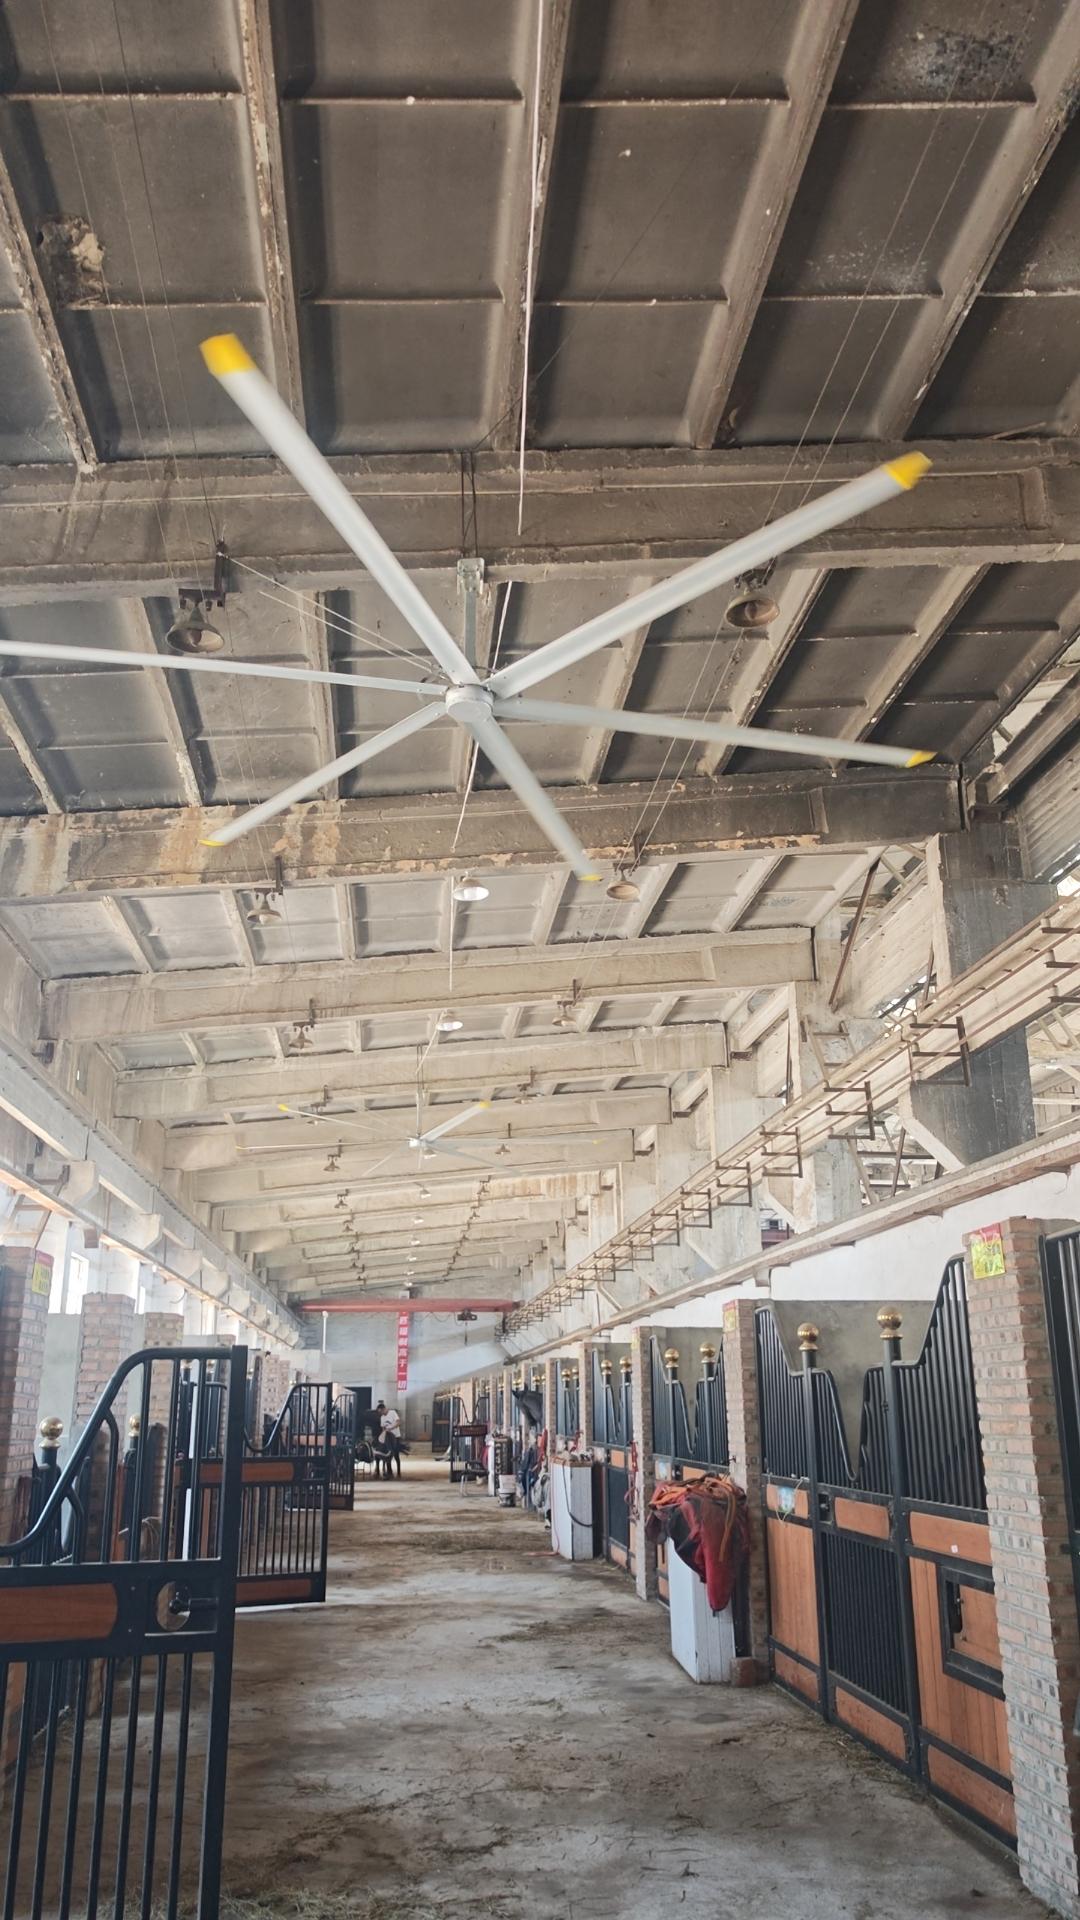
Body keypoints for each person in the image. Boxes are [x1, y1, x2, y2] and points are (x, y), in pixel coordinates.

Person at [380, 1404, 403, 1479]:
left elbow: (398, 1422)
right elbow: (383, 1428)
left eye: (381, 1411)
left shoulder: (392, 1413)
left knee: (396, 1455)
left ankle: (399, 1472)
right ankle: (389, 1472)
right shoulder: (382, 1417)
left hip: (396, 1436)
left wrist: (391, 1428)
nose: (381, 1413)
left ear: (384, 1409)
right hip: (388, 1438)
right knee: (387, 1454)